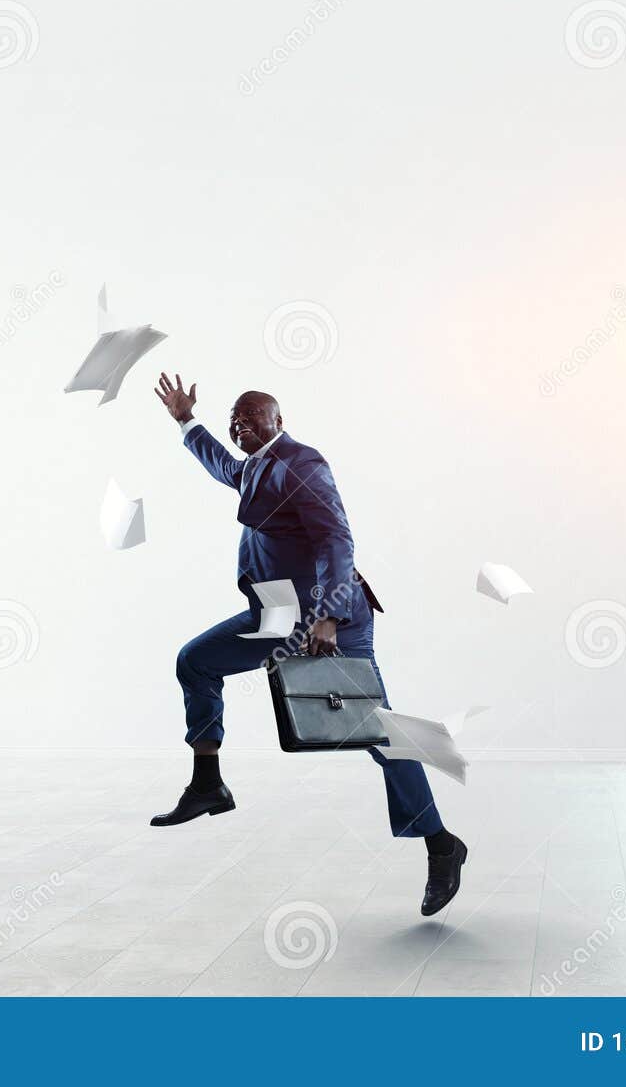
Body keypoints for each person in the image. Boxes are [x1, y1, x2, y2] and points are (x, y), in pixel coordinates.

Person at [149, 373, 467, 916]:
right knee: (196, 662)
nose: (239, 424)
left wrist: (328, 615)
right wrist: (186, 421)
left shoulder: (303, 463)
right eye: (234, 418)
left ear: (279, 421)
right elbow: (226, 469)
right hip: (277, 610)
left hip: (328, 614)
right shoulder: (253, 465)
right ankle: (208, 784)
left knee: (376, 729)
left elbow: (336, 538)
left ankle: (440, 843)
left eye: (251, 417)